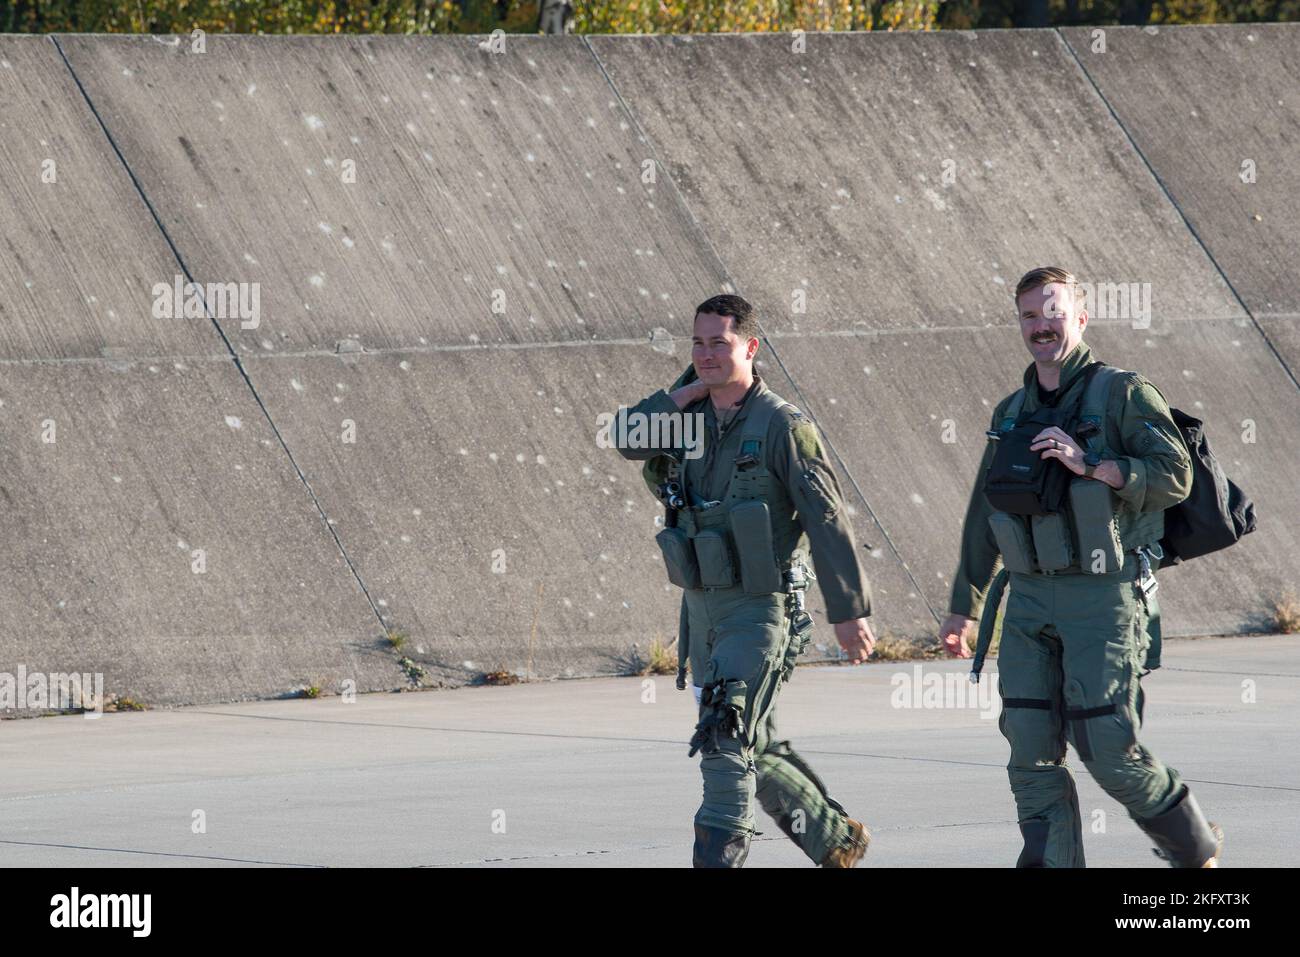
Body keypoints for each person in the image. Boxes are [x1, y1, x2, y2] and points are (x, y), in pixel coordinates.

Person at [939, 266, 1223, 868]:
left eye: (1053, 312)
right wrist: (962, 604)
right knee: (1029, 753)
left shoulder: (1121, 392)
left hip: (1105, 597)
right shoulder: (1011, 410)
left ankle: (1196, 853)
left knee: (1110, 749)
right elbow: (982, 511)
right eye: (1029, 316)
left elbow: (1176, 475)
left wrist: (1092, 463)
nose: (1041, 326)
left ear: (1081, 317)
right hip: (1028, 601)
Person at [610, 294, 876, 867]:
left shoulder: (782, 425)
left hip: (762, 607)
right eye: (698, 344)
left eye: (720, 344)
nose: (707, 354)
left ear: (750, 347)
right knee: (755, 741)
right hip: (703, 608)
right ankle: (834, 841)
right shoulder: (686, 418)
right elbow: (627, 436)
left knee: (724, 734)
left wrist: (849, 610)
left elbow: (826, 517)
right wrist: (687, 391)